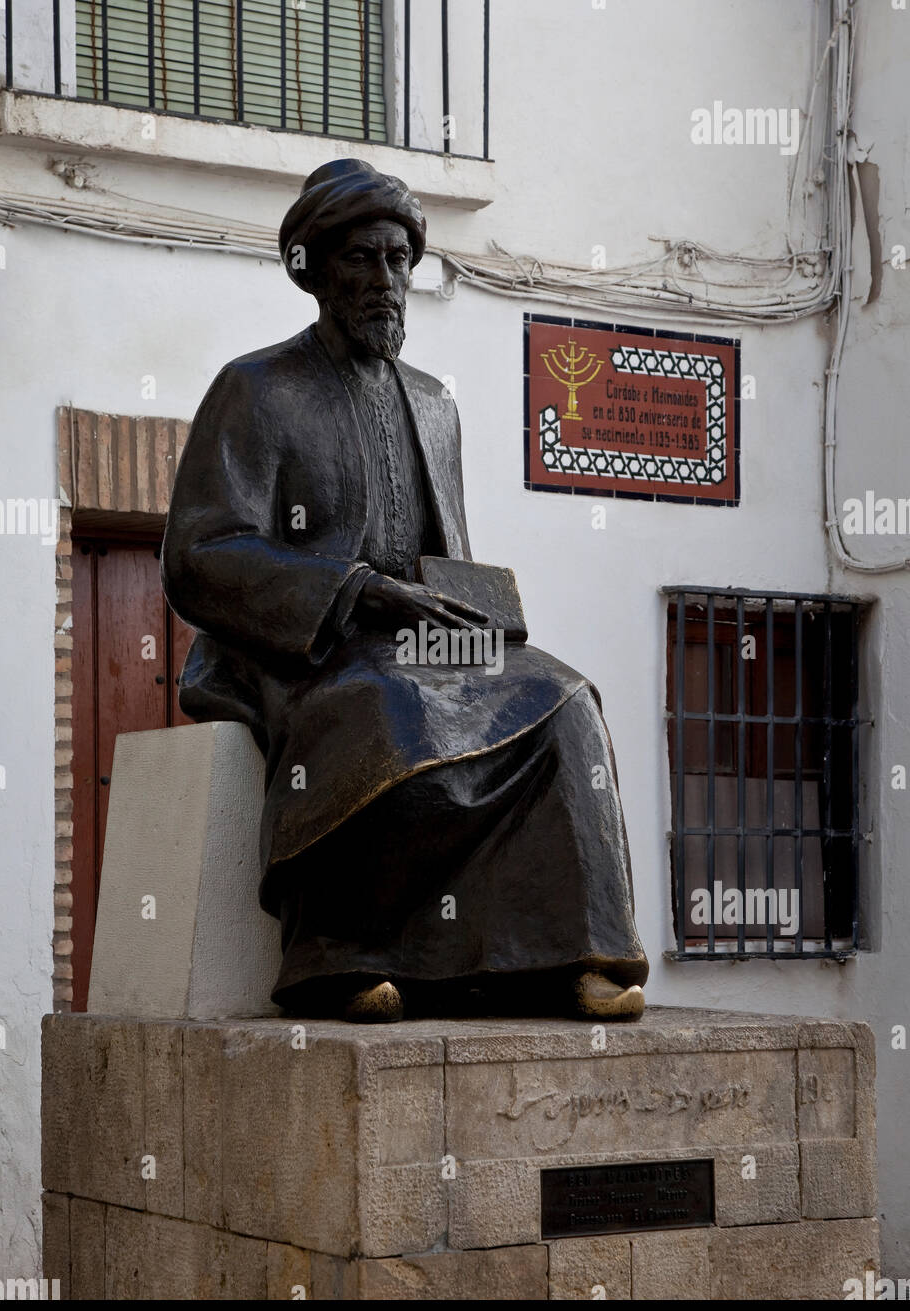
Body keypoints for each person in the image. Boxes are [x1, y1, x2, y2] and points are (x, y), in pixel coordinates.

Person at [161, 158, 648, 1023]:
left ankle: (569, 953)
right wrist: (356, 592)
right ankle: (338, 954)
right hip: (306, 641)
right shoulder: (256, 388)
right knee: (385, 708)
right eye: (361, 261)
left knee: (561, 701)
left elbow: (443, 551)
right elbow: (201, 554)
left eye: (397, 261)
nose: (385, 282)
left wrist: (475, 613)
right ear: (312, 270)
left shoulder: (434, 404)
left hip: (422, 635)